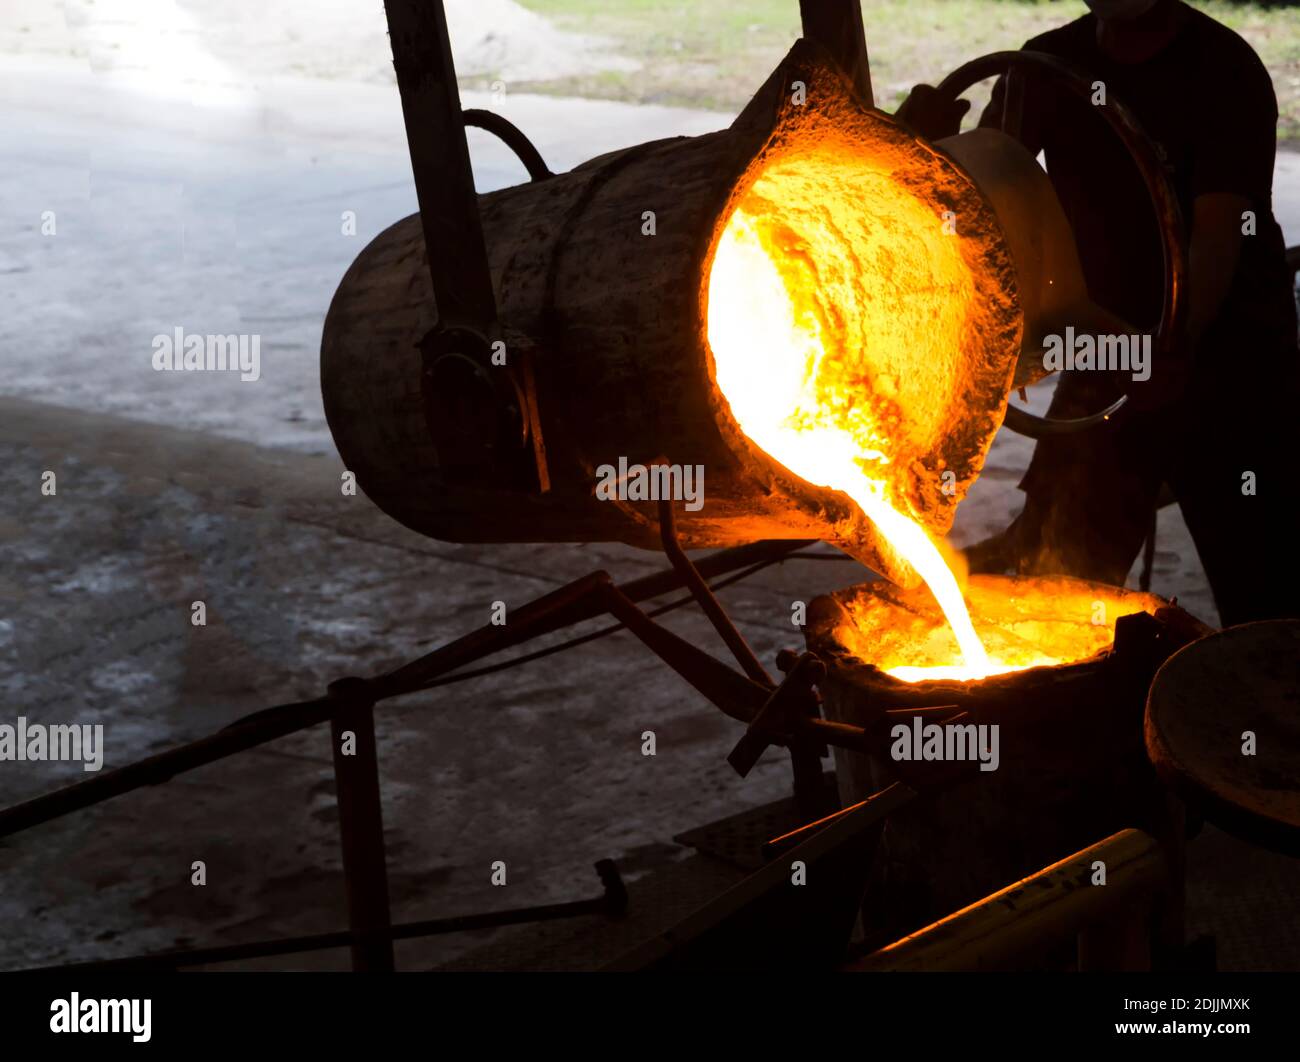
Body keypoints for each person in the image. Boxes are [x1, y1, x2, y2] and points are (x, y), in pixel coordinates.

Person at [898, 0, 1299, 626]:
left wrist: (1175, 344)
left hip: (1229, 355)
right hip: (1105, 342)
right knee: (1059, 573)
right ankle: (1068, 705)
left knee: (1264, 590)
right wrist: (917, 152)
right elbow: (984, 188)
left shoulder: (1226, 70)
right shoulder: (1046, 66)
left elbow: (1220, 232)